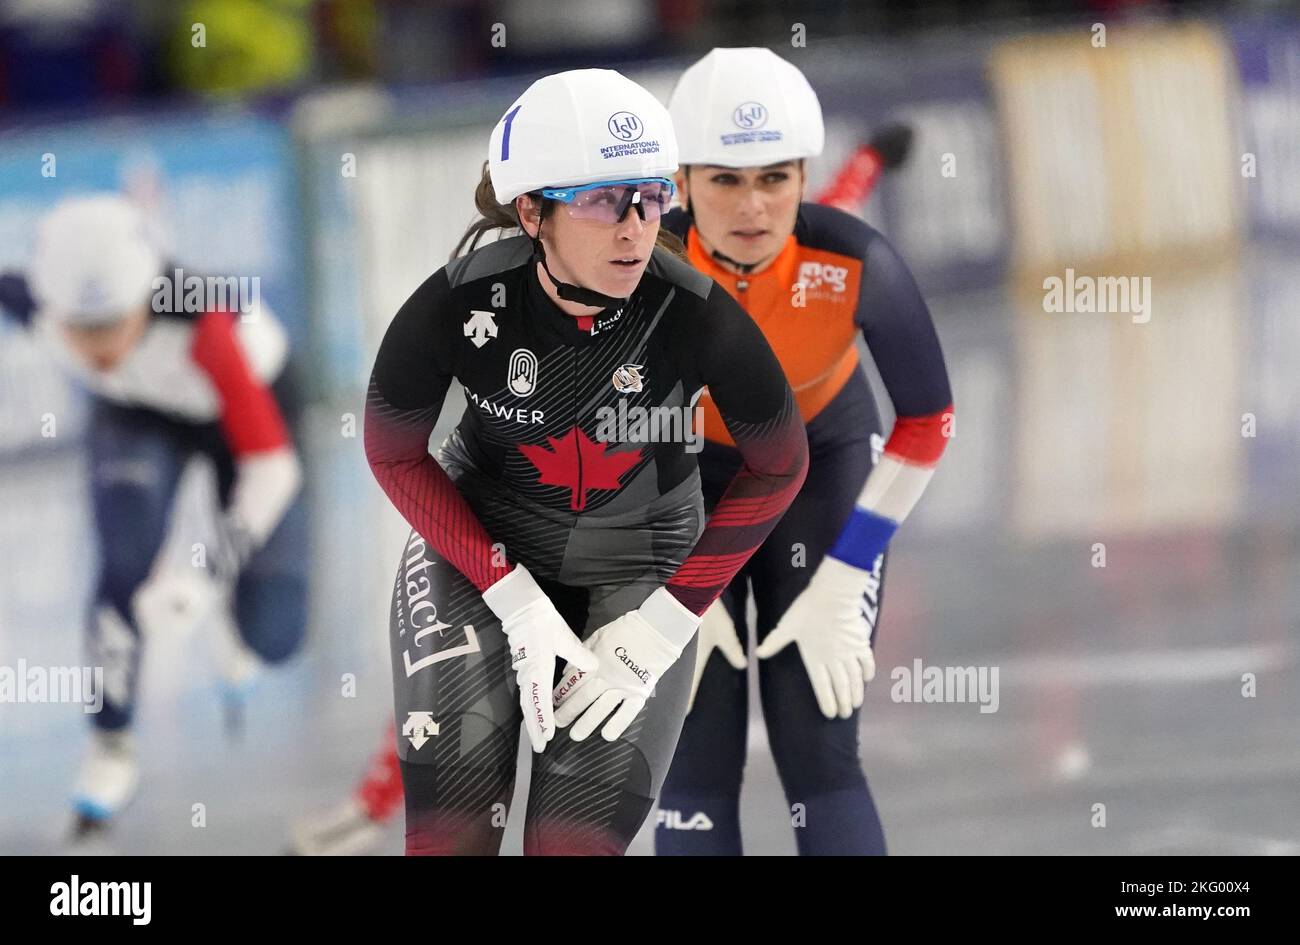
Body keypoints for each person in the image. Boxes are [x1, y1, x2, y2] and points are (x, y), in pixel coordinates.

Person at [362, 67, 809, 855]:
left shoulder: (695, 314)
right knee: (451, 838)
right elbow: (392, 450)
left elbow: (781, 463)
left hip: (640, 571)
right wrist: (511, 593)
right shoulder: (463, 305)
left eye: (652, 196)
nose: (636, 228)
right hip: (480, 557)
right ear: (532, 209)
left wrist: (666, 623)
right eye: (604, 201)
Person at [654, 47, 954, 856]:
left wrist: (851, 567)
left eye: (775, 178)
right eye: (723, 179)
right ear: (677, 183)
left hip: (819, 468)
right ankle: (857, 164)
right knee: (690, 754)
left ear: (798, 174)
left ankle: (864, 163)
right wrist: (669, 582)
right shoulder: (637, 272)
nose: (752, 206)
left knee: (820, 754)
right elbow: (598, 437)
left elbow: (926, 424)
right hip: (687, 485)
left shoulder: (859, 264)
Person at [0, 194, 308, 834]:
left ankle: (232, 609)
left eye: (116, 322)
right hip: (136, 415)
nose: (102, 346)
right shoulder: (33, 302)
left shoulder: (207, 325)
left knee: (274, 634)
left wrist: (203, 569)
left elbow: (273, 470)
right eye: (81, 331)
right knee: (126, 553)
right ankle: (110, 742)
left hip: (243, 425)